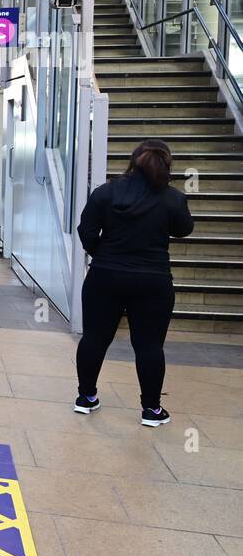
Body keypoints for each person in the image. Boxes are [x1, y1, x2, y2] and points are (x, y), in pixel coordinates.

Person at [74, 139, 193, 427]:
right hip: (153, 280)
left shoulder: (106, 192)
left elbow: (86, 230)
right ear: (166, 165)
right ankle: (151, 410)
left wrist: (103, 254)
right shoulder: (173, 198)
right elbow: (184, 230)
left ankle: (86, 397)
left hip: (105, 276)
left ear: (132, 160)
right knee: (150, 345)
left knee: (94, 338)